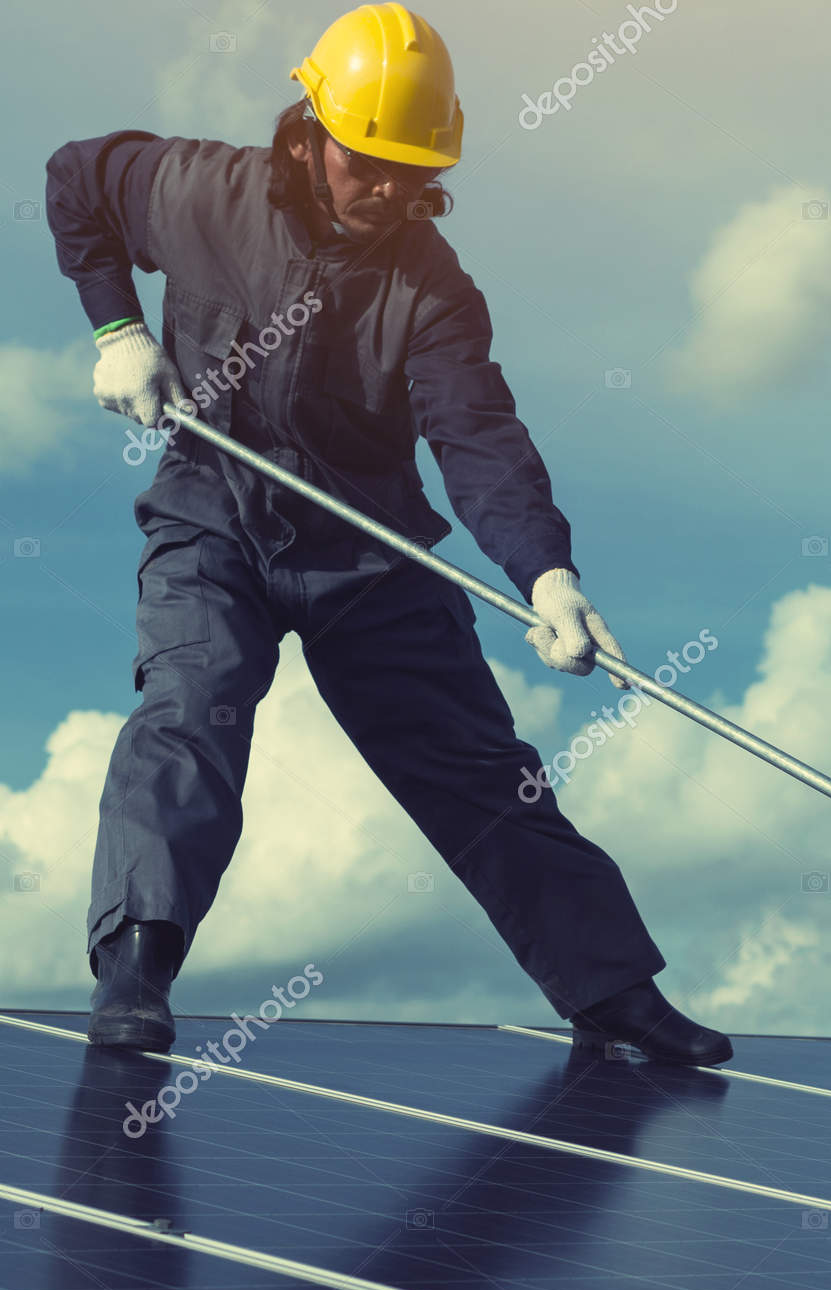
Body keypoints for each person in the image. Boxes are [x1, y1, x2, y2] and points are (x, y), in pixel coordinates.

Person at [45, 4, 731, 1068]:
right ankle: (137, 960)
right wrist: (116, 324)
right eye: (369, 163)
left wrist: (545, 573)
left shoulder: (435, 288)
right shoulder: (199, 191)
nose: (390, 190)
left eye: (414, 171)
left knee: (477, 763)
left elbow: (476, 432)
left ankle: (610, 991)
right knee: (191, 707)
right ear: (310, 131)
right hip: (212, 513)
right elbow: (75, 176)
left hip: (366, 548)